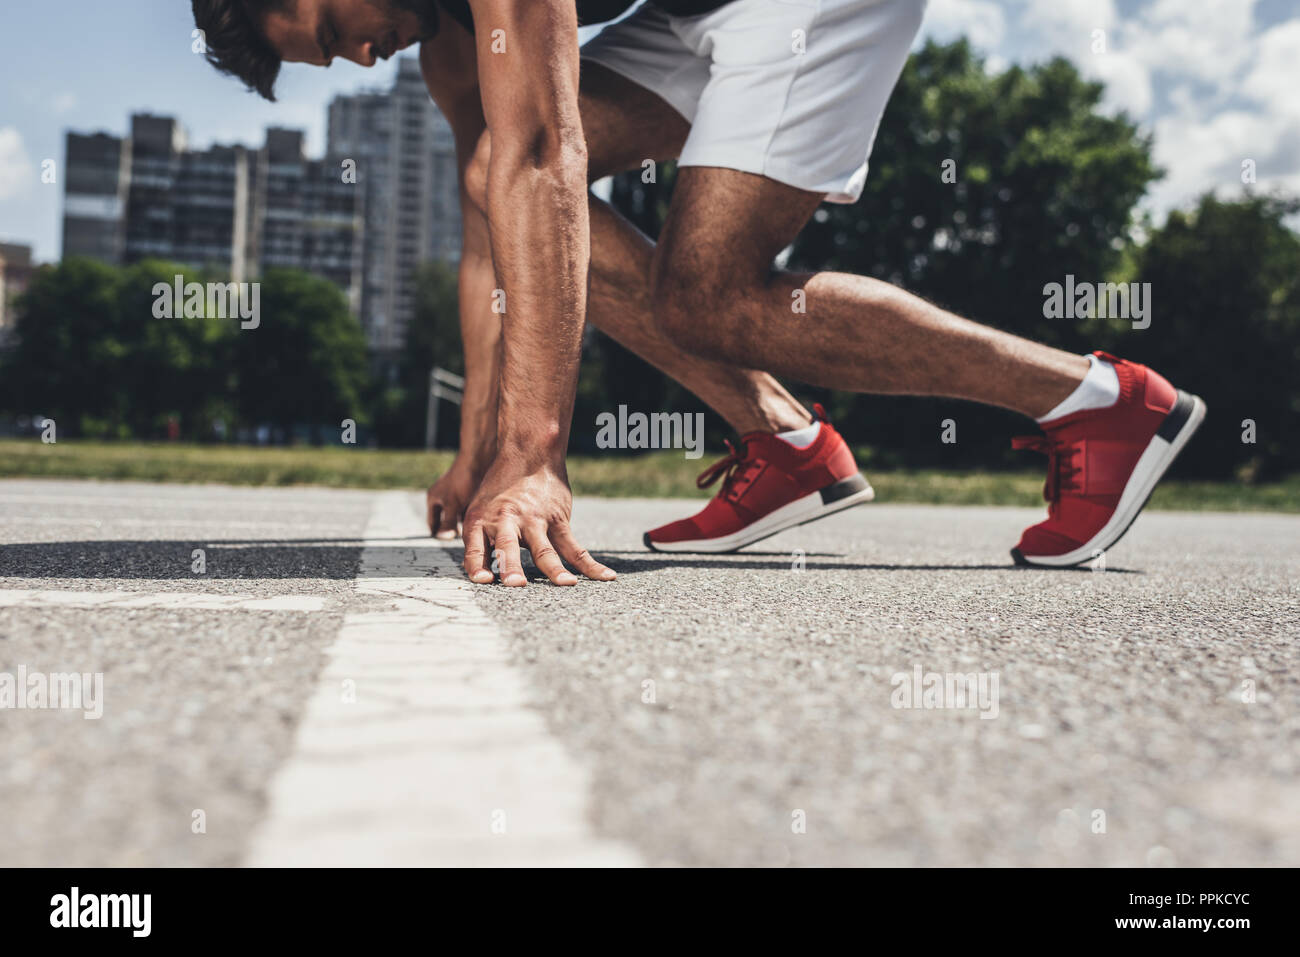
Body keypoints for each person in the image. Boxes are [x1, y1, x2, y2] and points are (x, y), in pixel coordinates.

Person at [192, 0, 1205, 585]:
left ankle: (1100, 405)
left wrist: (533, 458)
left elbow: (547, 155)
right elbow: (494, 225)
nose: (364, 58)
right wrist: (476, 456)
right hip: (701, 6)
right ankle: (787, 445)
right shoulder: (455, 38)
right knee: (488, 181)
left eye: (334, 30)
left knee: (704, 297)